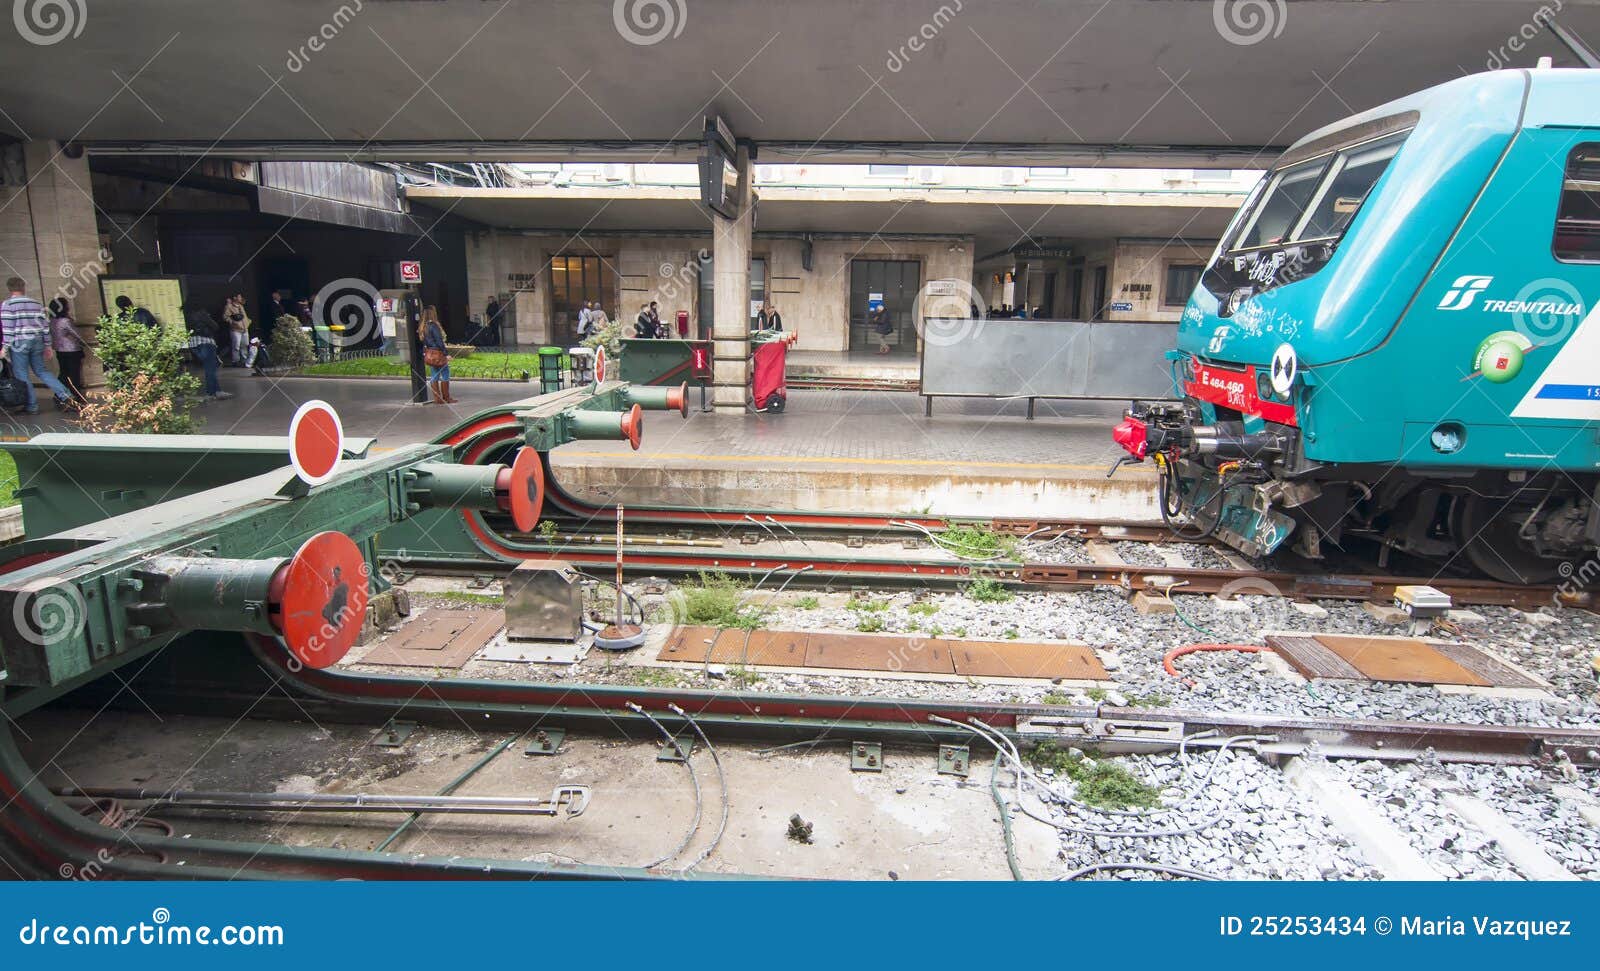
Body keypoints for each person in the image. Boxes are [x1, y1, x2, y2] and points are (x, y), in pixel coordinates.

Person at [2, 278, 74, 414]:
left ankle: (32, 406)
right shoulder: (36, 303)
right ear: (23, 287)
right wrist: (47, 345)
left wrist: (4, 348)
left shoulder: (8, 304)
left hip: (20, 342)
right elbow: (44, 326)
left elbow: (8, 329)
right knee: (42, 371)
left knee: (21, 374)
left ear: (9, 288)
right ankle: (67, 396)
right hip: (37, 340)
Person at [184, 302, 232, 401]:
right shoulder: (202, 314)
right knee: (210, 369)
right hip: (206, 342)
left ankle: (217, 391)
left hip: (193, 343)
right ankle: (211, 393)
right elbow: (215, 326)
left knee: (209, 368)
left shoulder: (187, 314)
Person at [47, 297, 87, 403]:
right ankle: (76, 396)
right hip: (72, 350)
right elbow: (78, 335)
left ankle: (59, 394)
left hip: (60, 350)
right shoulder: (65, 321)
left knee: (64, 373)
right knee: (75, 374)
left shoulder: (51, 321)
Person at [418, 305, 456, 405]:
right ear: (433, 314)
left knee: (434, 375)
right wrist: (446, 354)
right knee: (445, 374)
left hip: (430, 354)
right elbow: (439, 341)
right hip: (438, 353)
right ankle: (446, 398)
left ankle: (437, 399)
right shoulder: (433, 326)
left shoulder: (423, 326)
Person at [222, 293, 251, 366]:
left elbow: (244, 315)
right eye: (239, 297)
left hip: (245, 329)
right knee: (236, 346)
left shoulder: (241, 306)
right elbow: (225, 317)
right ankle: (236, 361)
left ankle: (244, 361)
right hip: (235, 329)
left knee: (245, 345)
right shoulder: (229, 306)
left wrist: (248, 321)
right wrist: (233, 322)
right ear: (234, 297)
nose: (241, 298)